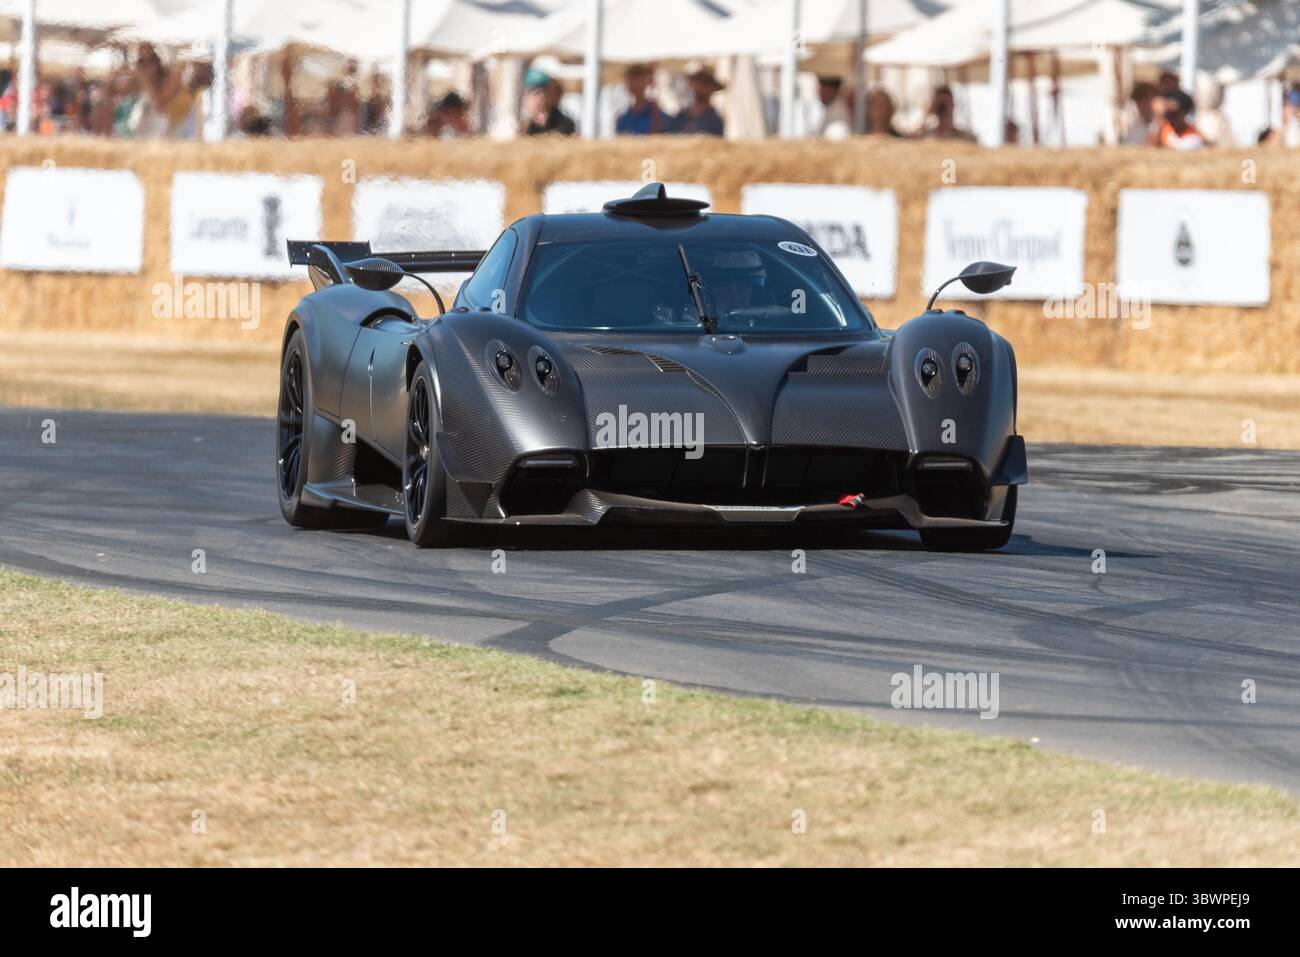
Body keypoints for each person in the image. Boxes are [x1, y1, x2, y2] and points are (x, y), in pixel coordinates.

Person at [668, 67, 724, 136]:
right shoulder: (681, 116)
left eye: (704, 84)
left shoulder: (715, 120)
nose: (699, 87)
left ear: (712, 89)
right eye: (696, 83)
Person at [615, 63, 667, 135]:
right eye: (631, 77)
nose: (634, 82)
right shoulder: (623, 118)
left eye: (638, 76)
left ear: (648, 80)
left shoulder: (659, 116)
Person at [521, 68, 576, 136]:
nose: (538, 97)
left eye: (541, 92)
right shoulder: (524, 124)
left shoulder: (563, 124)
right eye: (531, 92)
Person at [1121, 81, 1157, 145]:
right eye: (1140, 102)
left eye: (1147, 101)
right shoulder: (1134, 129)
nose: (1144, 106)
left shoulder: (1164, 123)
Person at [816, 75, 850, 140]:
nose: (820, 93)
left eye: (823, 90)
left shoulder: (838, 120)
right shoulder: (827, 108)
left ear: (833, 91)